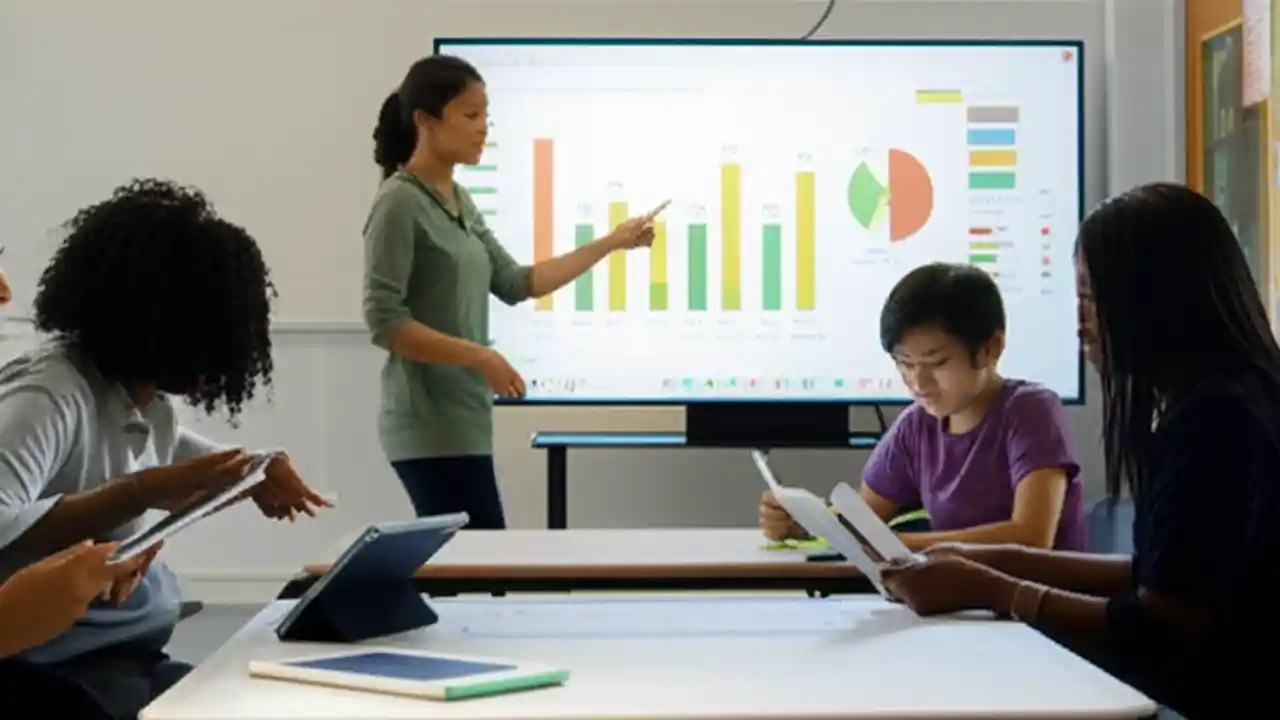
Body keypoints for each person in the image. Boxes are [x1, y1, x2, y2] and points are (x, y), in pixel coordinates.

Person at [880, 183, 1280, 717]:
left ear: (1154, 299)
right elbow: (1160, 576)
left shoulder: (1215, 422)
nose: (1080, 325)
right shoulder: (1231, 397)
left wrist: (995, 589)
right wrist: (989, 561)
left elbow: (1162, 628)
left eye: (1090, 300)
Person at [0, 178, 331, 719]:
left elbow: (191, 464)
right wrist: (141, 492)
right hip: (52, 670)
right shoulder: (49, 393)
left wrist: (254, 470)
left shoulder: (142, 400)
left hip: (126, 652)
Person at [363, 55, 656, 527]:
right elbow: (384, 320)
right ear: (425, 120)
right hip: (426, 423)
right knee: (481, 569)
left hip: (465, 421)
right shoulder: (399, 202)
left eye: (486, 117)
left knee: (477, 572)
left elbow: (518, 283)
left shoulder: (459, 200)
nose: (483, 129)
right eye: (471, 116)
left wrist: (613, 242)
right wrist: (481, 357)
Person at [759, 262, 1086, 551]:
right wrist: (806, 523)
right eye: (905, 364)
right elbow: (862, 522)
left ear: (991, 348)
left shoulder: (1030, 410)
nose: (919, 383)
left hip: (1038, 611)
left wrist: (897, 546)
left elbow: (1031, 537)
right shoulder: (916, 425)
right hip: (963, 610)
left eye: (937, 362)